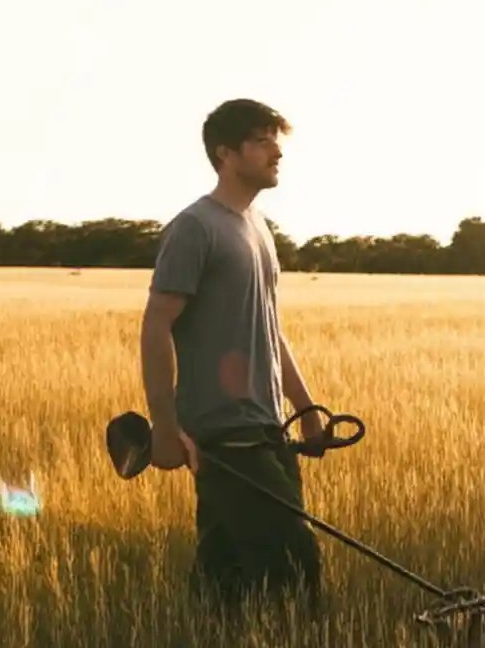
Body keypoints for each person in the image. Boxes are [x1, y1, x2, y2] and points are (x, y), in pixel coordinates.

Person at [139, 98, 327, 616]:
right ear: (226, 153)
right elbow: (157, 326)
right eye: (263, 140)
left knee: (227, 568)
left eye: (277, 139)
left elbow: (270, 328)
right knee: (294, 561)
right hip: (224, 434)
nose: (277, 151)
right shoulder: (196, 227)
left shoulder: (258, 227)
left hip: (267, 427)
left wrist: (306, 408)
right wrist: (163, 428)